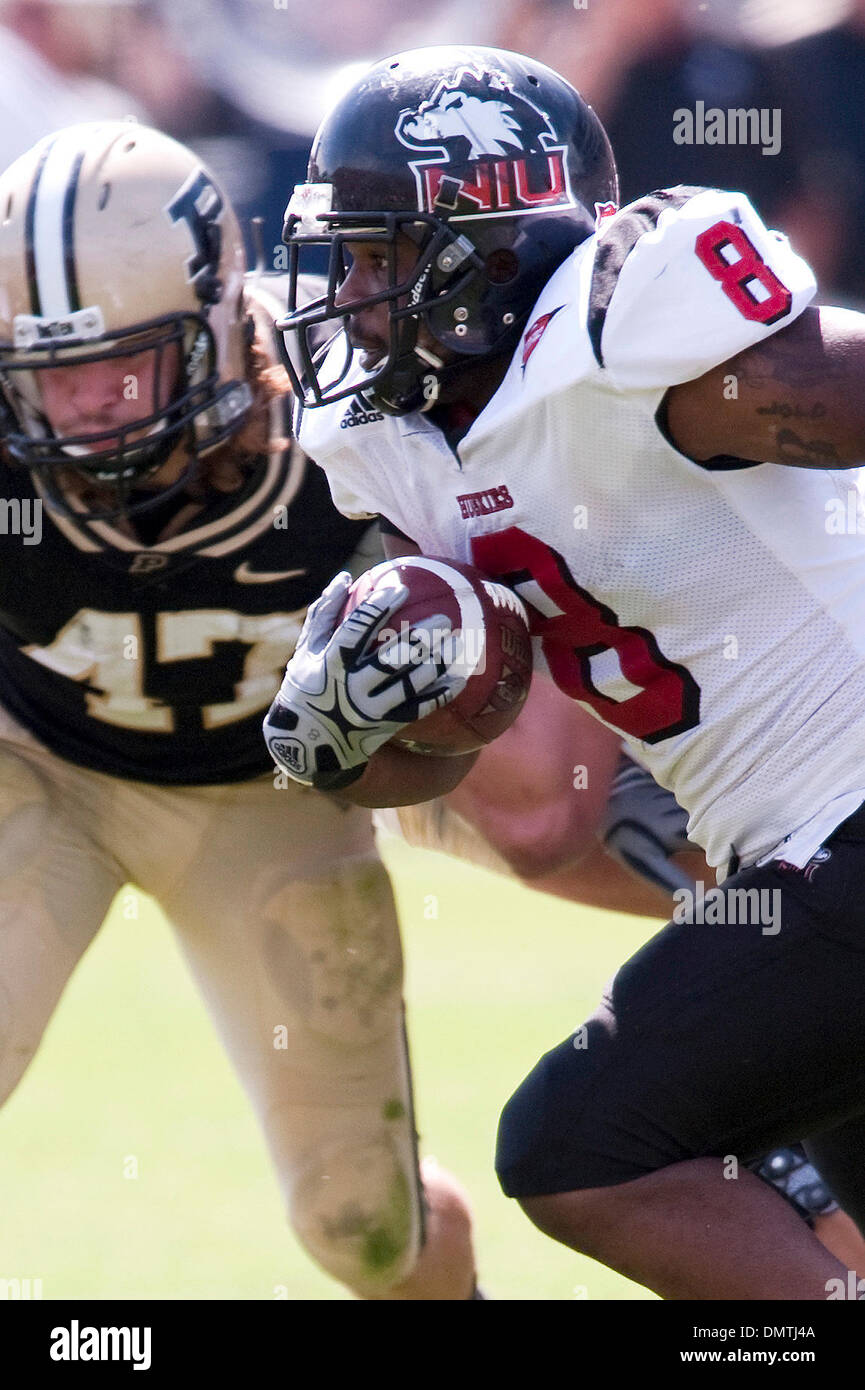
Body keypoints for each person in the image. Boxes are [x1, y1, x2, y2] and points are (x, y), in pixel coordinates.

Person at [267, 44, 865, 1298]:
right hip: (791, 852)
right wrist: (358, 729)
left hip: (846, 822)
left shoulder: (620, 321)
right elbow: (513, 770)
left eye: (379, 256)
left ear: (490, 243)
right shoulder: (390, 437)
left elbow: (834, 387)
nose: (350, 294)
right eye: (346, 256)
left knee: (580, 1145)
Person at [0, 117, 480, 1301]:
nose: (83, 411)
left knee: (360, 1221)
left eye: (120, 365)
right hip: (35, 770)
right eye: (49, 376)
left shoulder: (350, 407)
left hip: (270, 802)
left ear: (219, 324)